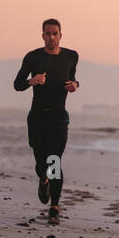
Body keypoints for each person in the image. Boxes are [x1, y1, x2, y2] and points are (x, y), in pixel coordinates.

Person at [12, 18, 79, 221]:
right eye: (48, 34)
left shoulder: (71, 56)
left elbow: (73, 78)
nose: (51, 37)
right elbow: (17, 84)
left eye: (55, 33)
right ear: (42, 35)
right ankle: (43, 180)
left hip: (59, 118)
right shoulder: (33, 57)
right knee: (42, 163)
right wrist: (32, 81)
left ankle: (55, 207)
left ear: (61, 35)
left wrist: (75, 85)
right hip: (37, 117)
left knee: (55, 160)